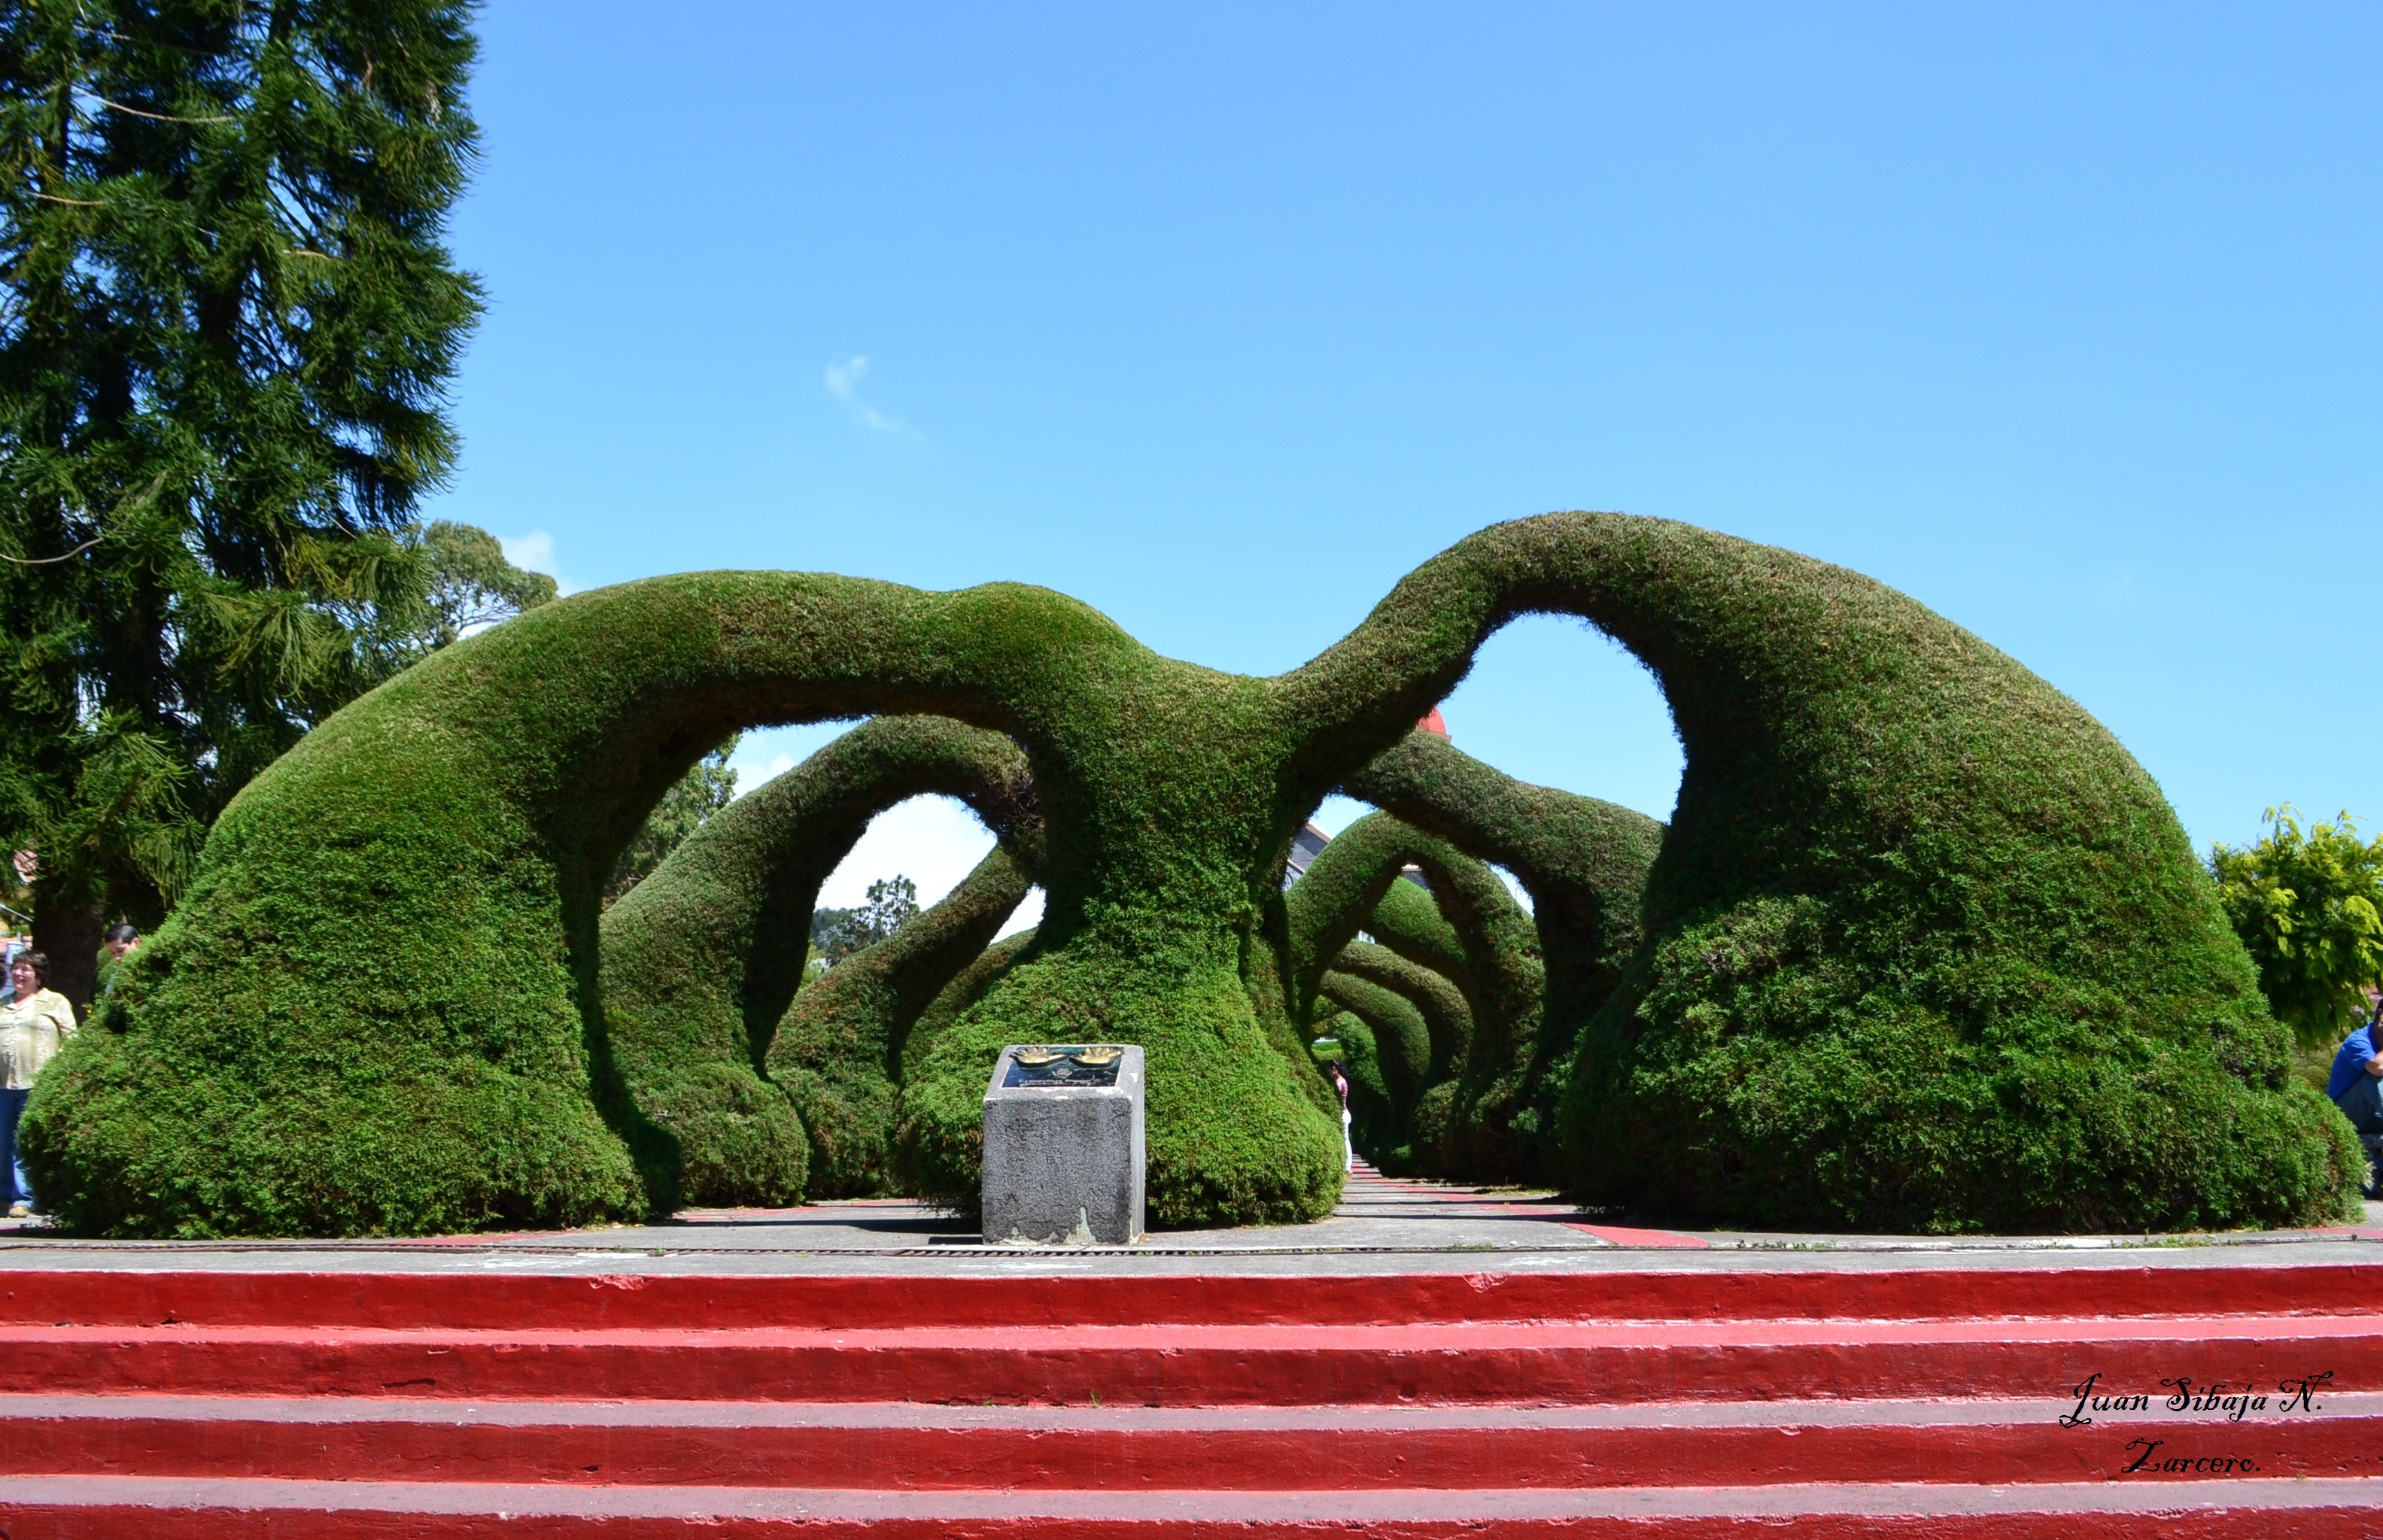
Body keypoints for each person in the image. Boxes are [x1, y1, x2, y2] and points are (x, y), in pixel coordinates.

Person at [0, 951, 74, 1218]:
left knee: (24, 1143)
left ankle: (24, 1199)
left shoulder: (54, 1002)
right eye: (16, 968)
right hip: (4, 1086)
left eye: (26, 969)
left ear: (39, 974)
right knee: (3, 1144)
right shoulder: (3, 1003)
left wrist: (62, 1077)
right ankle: (5, 1197)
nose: (18, 974)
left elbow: (71, 1040)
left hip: (38, 1084)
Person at [2327, 992, 2383, 1201]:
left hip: (2375, 1114)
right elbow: (2377, 1068)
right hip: (2345, 1115)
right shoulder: (2358, 1040)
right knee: (2374, 1079)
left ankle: (2374, 1171)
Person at [96, 923, 139, 998]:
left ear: (136, 943)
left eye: (120, 950)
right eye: (112, 953)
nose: (117, 957)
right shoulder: (116, 977)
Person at [1329, 1060, 1354, 1173]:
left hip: (1342, 1113)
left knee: (1345, 1138)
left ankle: (1347, 1165)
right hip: (1337, 1112)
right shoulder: (1332, 1081)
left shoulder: (1342, 1082)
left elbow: (1343, 1101)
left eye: (1330, 1069)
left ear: (1334, 1068)